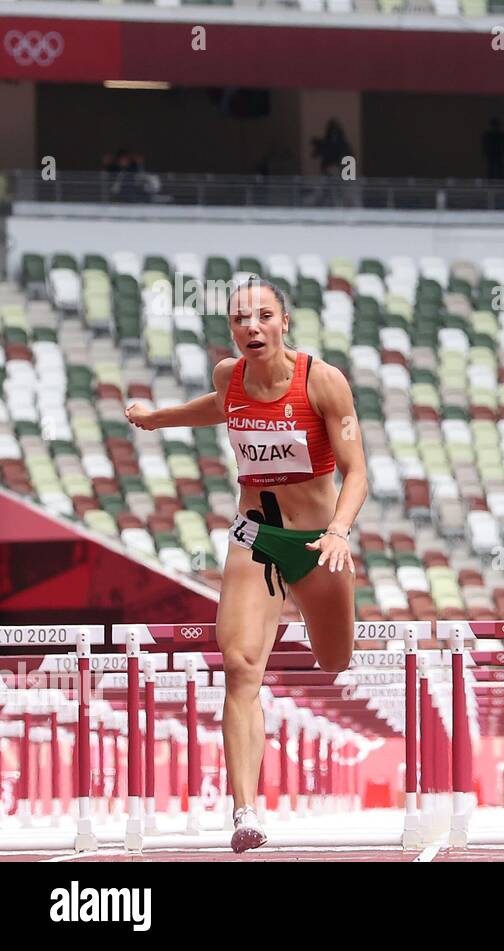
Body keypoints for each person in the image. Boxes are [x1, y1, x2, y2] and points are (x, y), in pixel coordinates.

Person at [125, 278, 368, 852]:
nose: (251, 327)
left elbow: (357, 471)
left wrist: (338, 530)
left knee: (335, 659)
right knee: (238, 666)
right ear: (232, 329)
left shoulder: (323, 383)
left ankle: (309, 641)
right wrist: (158, 419)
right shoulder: (227, 376)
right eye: (240, 319)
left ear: (285, 322)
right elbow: (218, 407)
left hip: (317, 543)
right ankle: (245, 812)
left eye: (263, 317)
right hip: (254, 538)